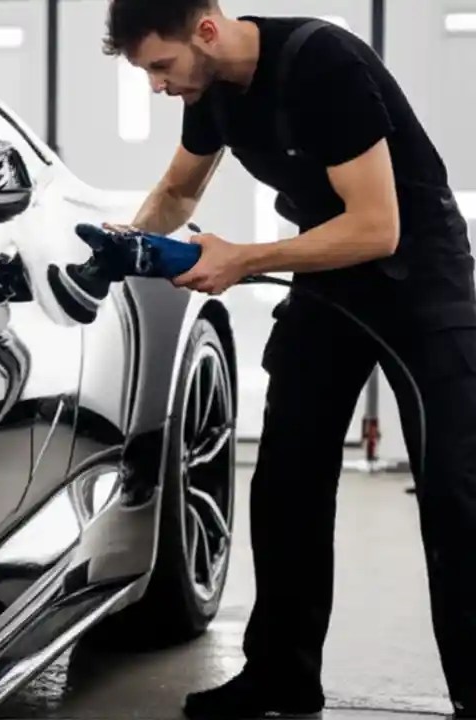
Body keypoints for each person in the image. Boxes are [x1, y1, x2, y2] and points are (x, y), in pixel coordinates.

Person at [100, 2, 476, 719]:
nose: (156, 85)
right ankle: (281, 673)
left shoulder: (320, 62)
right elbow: (179, 190)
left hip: (420, 279)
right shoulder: (209, 92)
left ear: (205, 31)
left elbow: (377, 225)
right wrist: (124, 243)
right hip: (330, 277)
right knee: (285, 484)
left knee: (456, 492)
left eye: (159, 66)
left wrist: (244, 259)